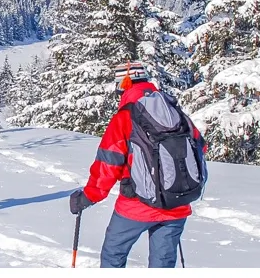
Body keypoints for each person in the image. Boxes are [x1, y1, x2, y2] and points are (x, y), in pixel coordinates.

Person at [68, 61, 207, 268]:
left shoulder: (126, 116)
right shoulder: (174, 111)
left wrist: (87, 197)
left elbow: (108, 164)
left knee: (113, 254)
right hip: (177, 203)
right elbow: (200, 148)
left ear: (123, 85)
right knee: (163, 263)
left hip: (136, 206)